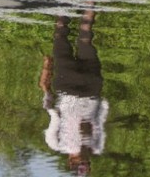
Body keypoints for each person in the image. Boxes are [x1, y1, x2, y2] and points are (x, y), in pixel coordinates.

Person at [39, 10, 109, 175]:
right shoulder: (58, 144)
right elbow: (53, 114)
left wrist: (46, 73)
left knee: (84, 37)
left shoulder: (94, 147)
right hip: (70, 88)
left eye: (81, 163)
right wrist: (46, 78)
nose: (84, 160)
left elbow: (102, 114)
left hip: (87, 88)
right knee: (63, 37)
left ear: (71, 162)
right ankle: (68, 4)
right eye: (85, 163)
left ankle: (86, 2)